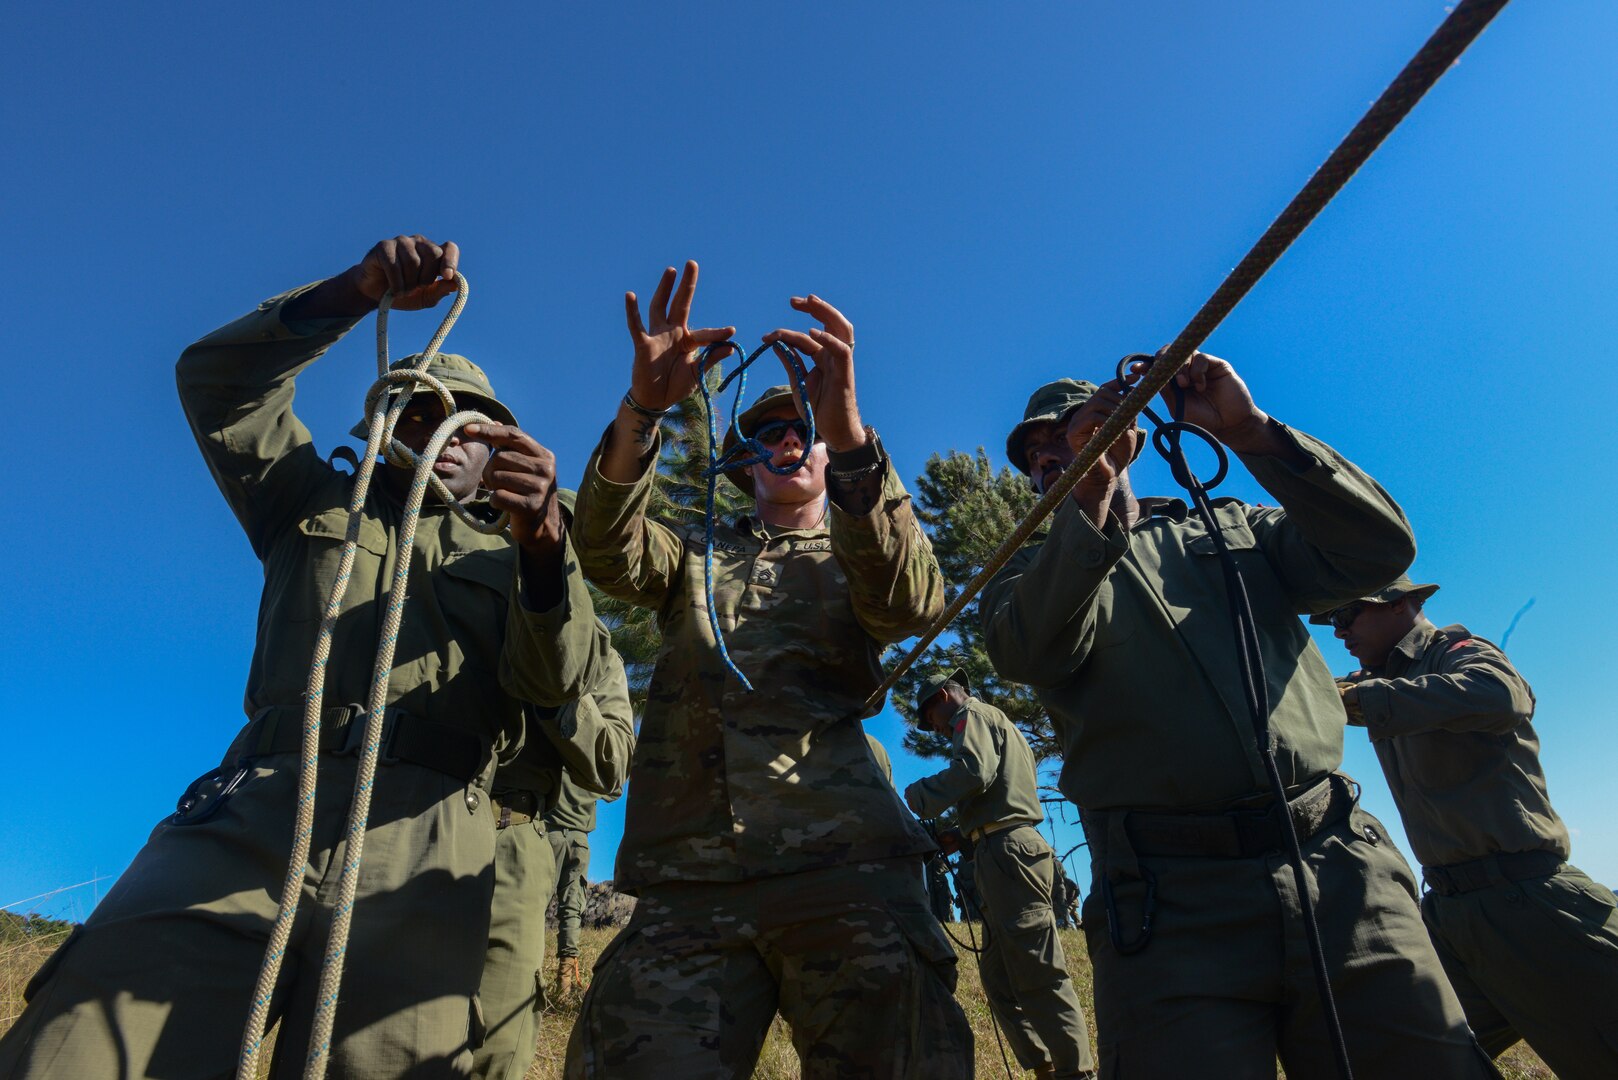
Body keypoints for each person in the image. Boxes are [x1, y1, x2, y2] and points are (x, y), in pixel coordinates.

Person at [0, 236, 628, 1080]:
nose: (436, 428)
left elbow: (554, 688)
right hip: (261, 802)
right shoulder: (308, 498)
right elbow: (216, 385)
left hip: (432, 840)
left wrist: (547, 549)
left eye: (465, 422)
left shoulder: (529, 556)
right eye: (415, 410)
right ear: (375, 422)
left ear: (499, 453)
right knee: (73, 1047)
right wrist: (351, 291)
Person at [982, 361, 1497, 1077]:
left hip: (1341, 870)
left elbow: (1377, 552)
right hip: (1167, 904)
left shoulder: (1232, 525)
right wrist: (1091, 492)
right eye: (1035, 453)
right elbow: (1026, 649)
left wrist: (1253, 435)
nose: (1047, 454)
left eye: (1068, 433)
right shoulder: (1023, 573)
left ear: (1128, 431)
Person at [566, 262, 972, 1078]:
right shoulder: (690, 561)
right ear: (741, 466)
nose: (785, 443)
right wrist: (643, 411)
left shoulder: (863, 545)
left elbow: (910, 605)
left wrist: (851, 433)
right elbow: (606, 553)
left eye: (801, 431)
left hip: (846, 878)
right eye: (763, 437)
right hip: (689, 886)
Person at [1321, 576, 1618, 1079]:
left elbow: (1501, 696)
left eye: (1346, 616)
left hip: (1531, 904)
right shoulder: (1378, 680)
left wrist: (1361, 700)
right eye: (1331, 622)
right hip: (1449, 915)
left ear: (1400, 603)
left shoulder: (1458, 652)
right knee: (1404, 1063)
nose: (1338, 632)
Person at [905, 669, 1095, 1080]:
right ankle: (1045, 1066)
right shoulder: (995, 722)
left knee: (1038, 970)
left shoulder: (971, 716)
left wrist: (919, 796)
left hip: (1008, 852)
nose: (934, 729)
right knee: (999, 982)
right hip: (997, 850)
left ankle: (1075, 1071)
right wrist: (962, 833)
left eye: (930, 718)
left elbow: (974, 771)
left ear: (941, 697)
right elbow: (996, 788)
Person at [473, 644, 633, 1080]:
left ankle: (566, 968)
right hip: (544, 829)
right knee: (566, 907)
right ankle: (565, 967)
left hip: (545, 830)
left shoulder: (596, 662)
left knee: (565, 908)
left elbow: (611, 771)